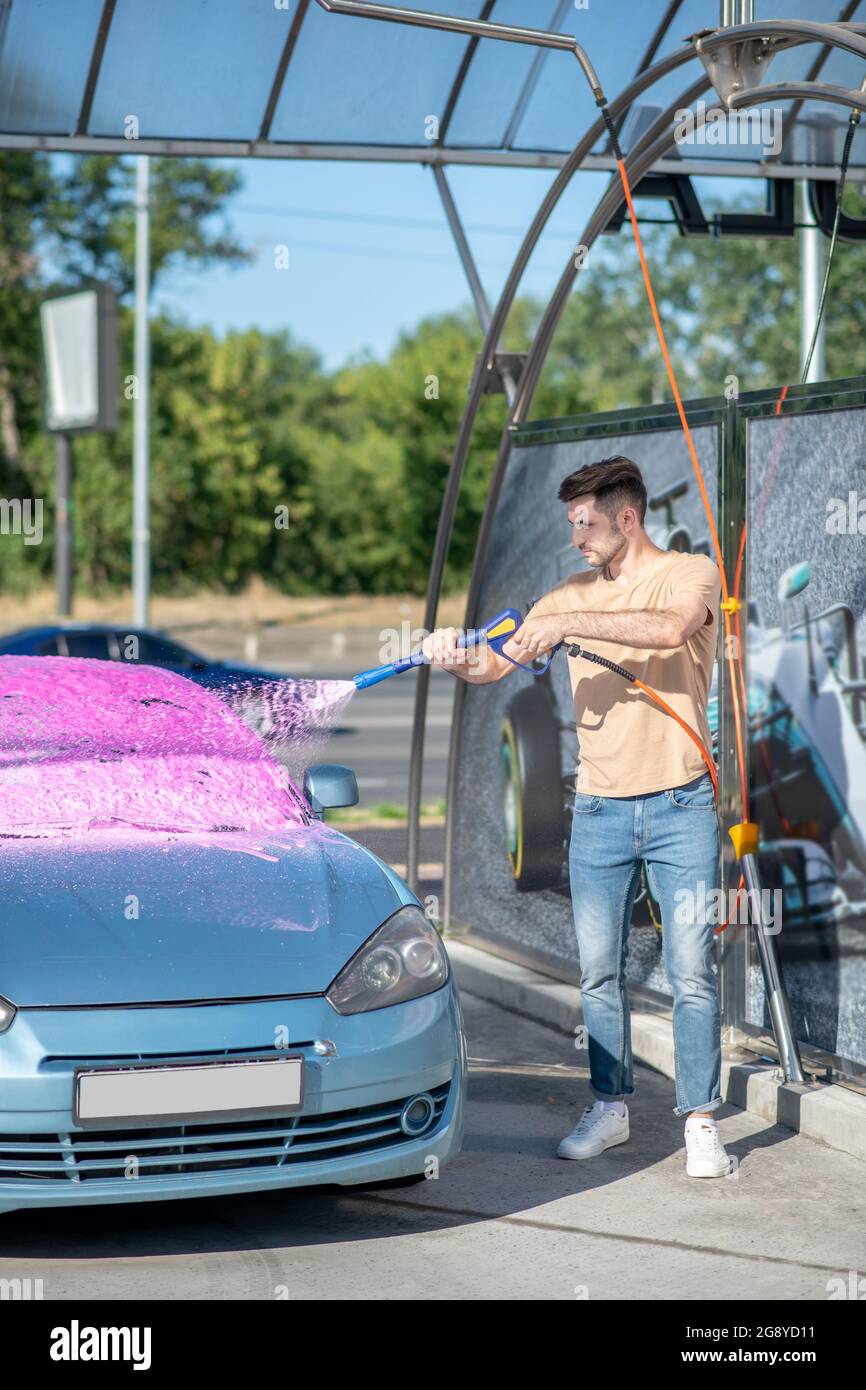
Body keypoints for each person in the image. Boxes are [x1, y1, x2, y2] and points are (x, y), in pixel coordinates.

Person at [421, 455, 731, 1179]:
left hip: (682, 805)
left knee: (692, 970)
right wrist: (451, 655)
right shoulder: (563, 595)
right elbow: (493, 664)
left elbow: (669, 629)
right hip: (595, 811)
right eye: (570, 524)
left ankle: (701, 1123)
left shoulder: (691, 574)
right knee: (598, 974)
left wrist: (568, 621)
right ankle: (611, 1107)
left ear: (627, 517)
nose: (576, 539)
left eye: (585, 524)